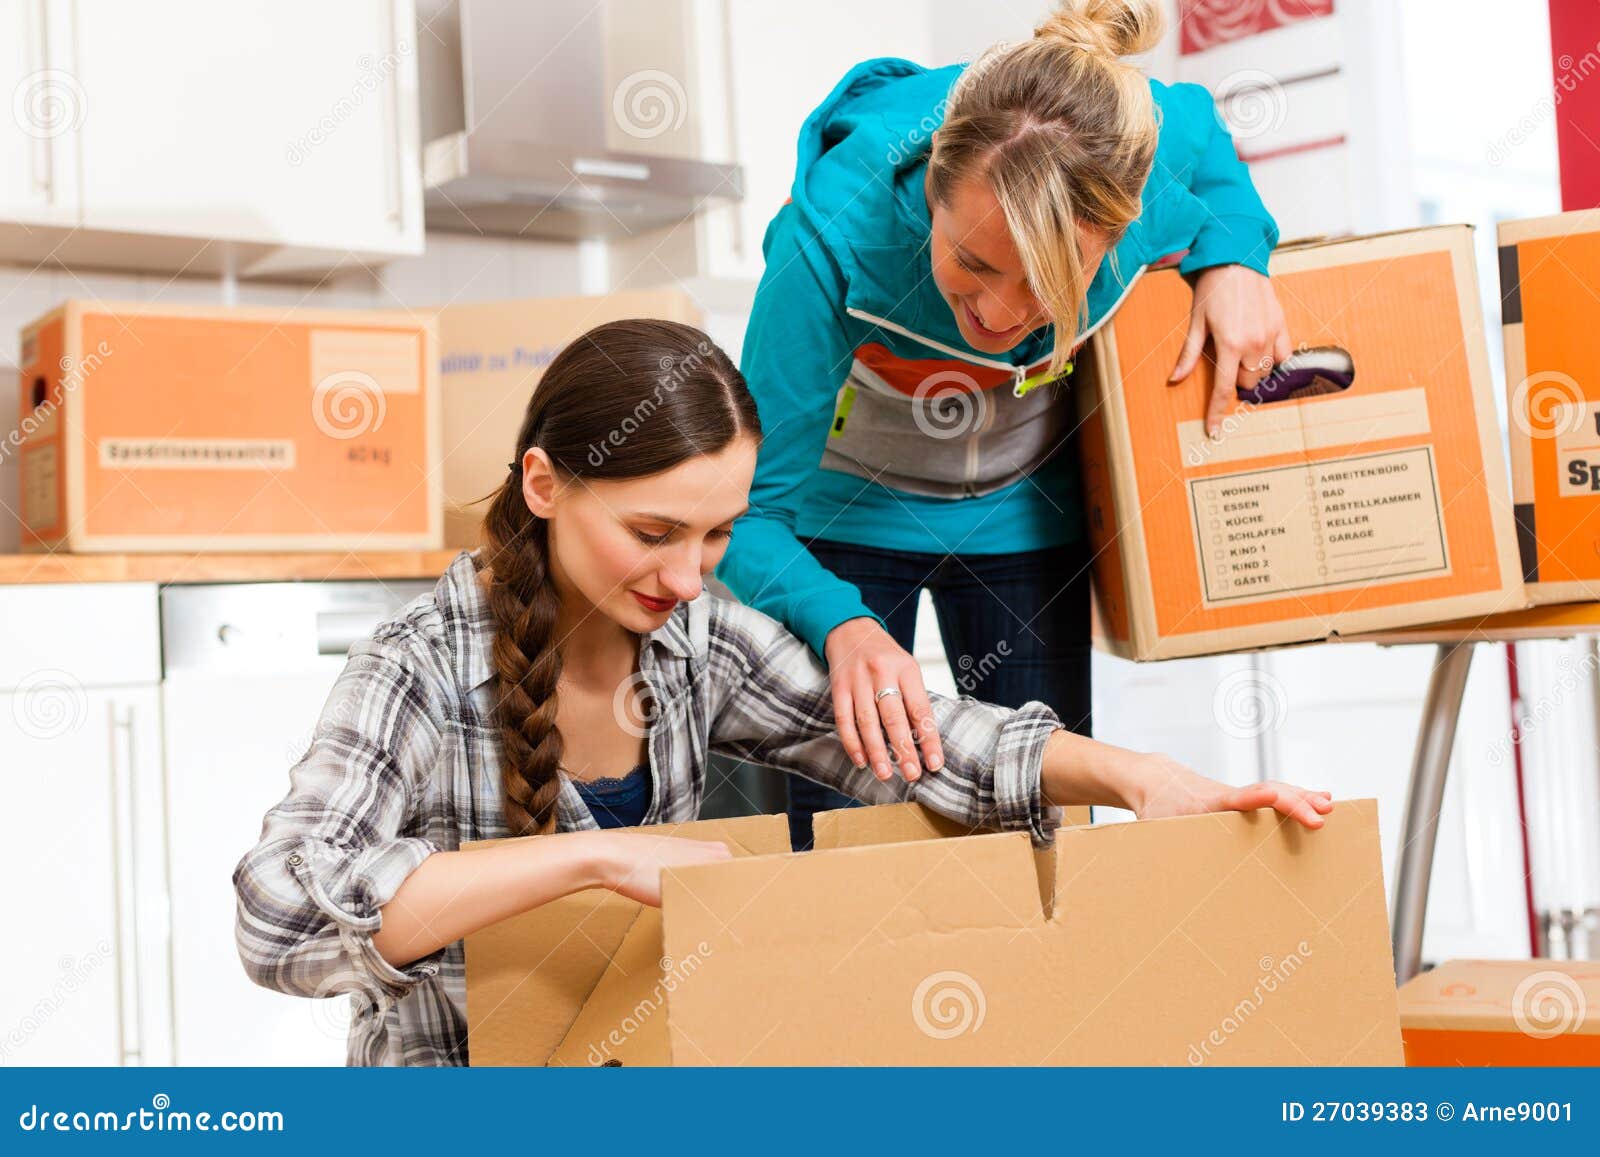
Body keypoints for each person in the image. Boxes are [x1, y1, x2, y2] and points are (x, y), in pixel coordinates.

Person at [233, 320, 1330, 1066]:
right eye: (652, 533)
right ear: (543, 482)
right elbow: (278, 913)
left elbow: (916, 739)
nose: (686, 574)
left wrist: (1137, 777)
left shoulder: (697, 639)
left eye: (717, 534)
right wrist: (592, 856)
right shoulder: (419, 663)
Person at [714, 0, 1292, 849]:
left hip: (1023, 510)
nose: (1000, 314)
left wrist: (1239, 255)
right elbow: (749, 513)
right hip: (847, 513)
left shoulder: (1150, 160)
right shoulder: (828, 239)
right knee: (850, 833)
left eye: (1049, 281)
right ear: (932, 192)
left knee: (1043, 825)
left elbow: (1209, 142)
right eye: (973, 263)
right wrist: (838, 621)